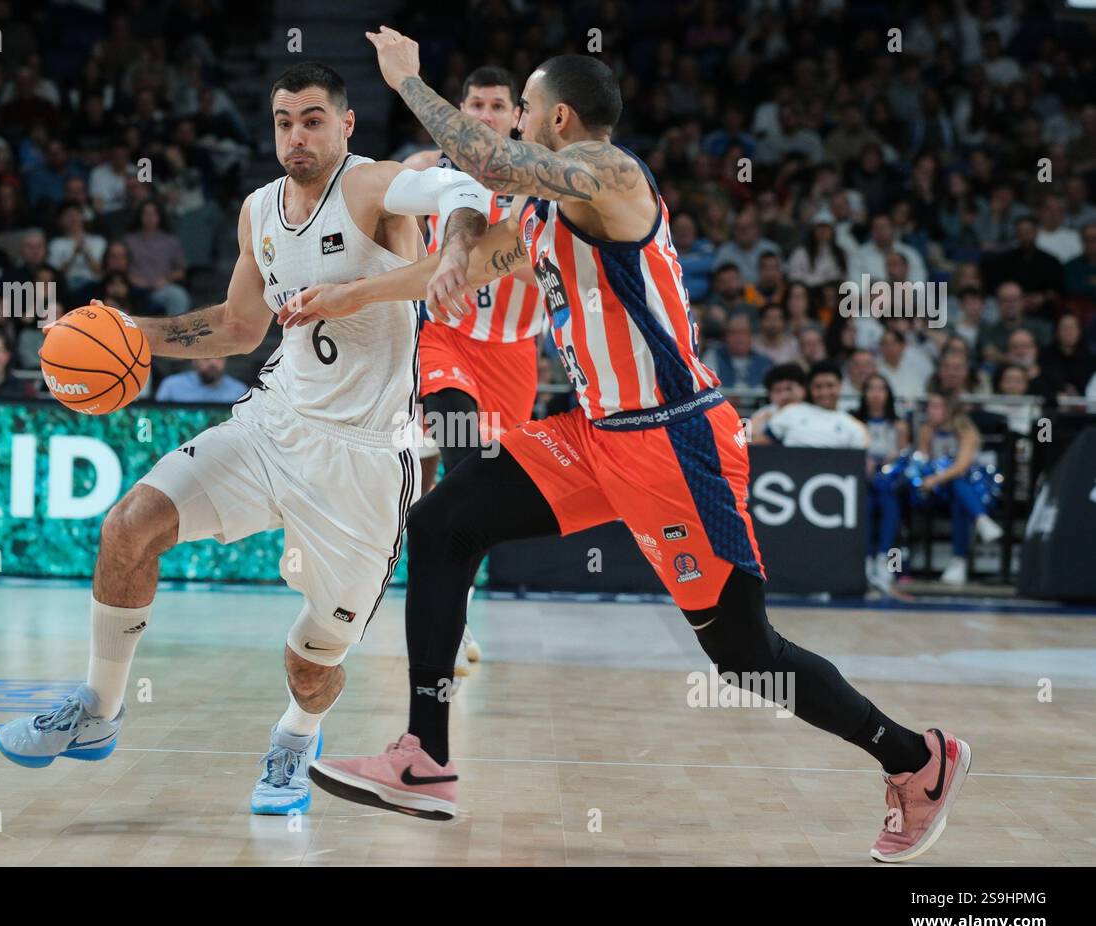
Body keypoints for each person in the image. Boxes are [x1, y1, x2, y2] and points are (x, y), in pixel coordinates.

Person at [287, 33, 971, 863]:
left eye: (525, 110)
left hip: (675, 440)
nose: (516, 124)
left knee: (745, 656)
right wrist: (342, 294)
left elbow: (490, 164)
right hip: (595, 435)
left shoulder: (613, 175)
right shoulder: (542, 219)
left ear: (558, 116)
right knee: (440, 525)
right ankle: (424, 756)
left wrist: (408, 82)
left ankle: (916, 758)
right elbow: (449, 270)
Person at [0, 61, 496, 820]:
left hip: (362, 461)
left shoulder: (369, 187)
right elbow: (235, 328)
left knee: (312, 661)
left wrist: (455, 249)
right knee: (129, 526)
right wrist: (130, 332)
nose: (297, 134)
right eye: (284, 120)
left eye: (314, 119)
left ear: (346, 124)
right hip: (272, 427)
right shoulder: (259, 210)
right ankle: (98, 708)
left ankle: (298, 736)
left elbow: (459, 190)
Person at [403, 65, 548, 676]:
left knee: (475, 495)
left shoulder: (540, 176)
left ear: (516, 115)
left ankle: (455, 607)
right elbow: (391, 239)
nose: (485, 115)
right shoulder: (423, 169)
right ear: (459, 110)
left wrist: (483, 251)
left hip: (514, 352)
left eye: (497, 105)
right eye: (475, 105)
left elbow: (544, 261)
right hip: (445, 337)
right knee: (462, 462)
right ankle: (442, 624)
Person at [911, 389, 1003, 586]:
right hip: (938, 488)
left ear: (949, 409)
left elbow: (961, 467)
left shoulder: (966, 431)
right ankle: (981, 520)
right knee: (954, 488)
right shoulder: (927, 430)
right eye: (929, 406)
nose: (930, 411)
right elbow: (923, 461)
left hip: (976, 486)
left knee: (958, 489)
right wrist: (930, 476)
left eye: (936, 407)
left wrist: (935, 479)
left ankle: (958, 561)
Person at [853, 374, 911, 594]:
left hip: (889, 480)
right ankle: (866, 560)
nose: (876, 394)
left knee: (890, 504)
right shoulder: (856, 422)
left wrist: (892, 459)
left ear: (888, 395)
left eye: (881, 389)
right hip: (862, 480)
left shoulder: (899, 425)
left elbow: (905, 457)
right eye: (871, 389)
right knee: (865, 505)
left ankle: (884, 562)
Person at [154, 356, 249, 403]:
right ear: (194, 360)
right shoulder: (171, 386)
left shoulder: (239, 390)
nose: (213, 363)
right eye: (206, 358)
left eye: (219, 358)